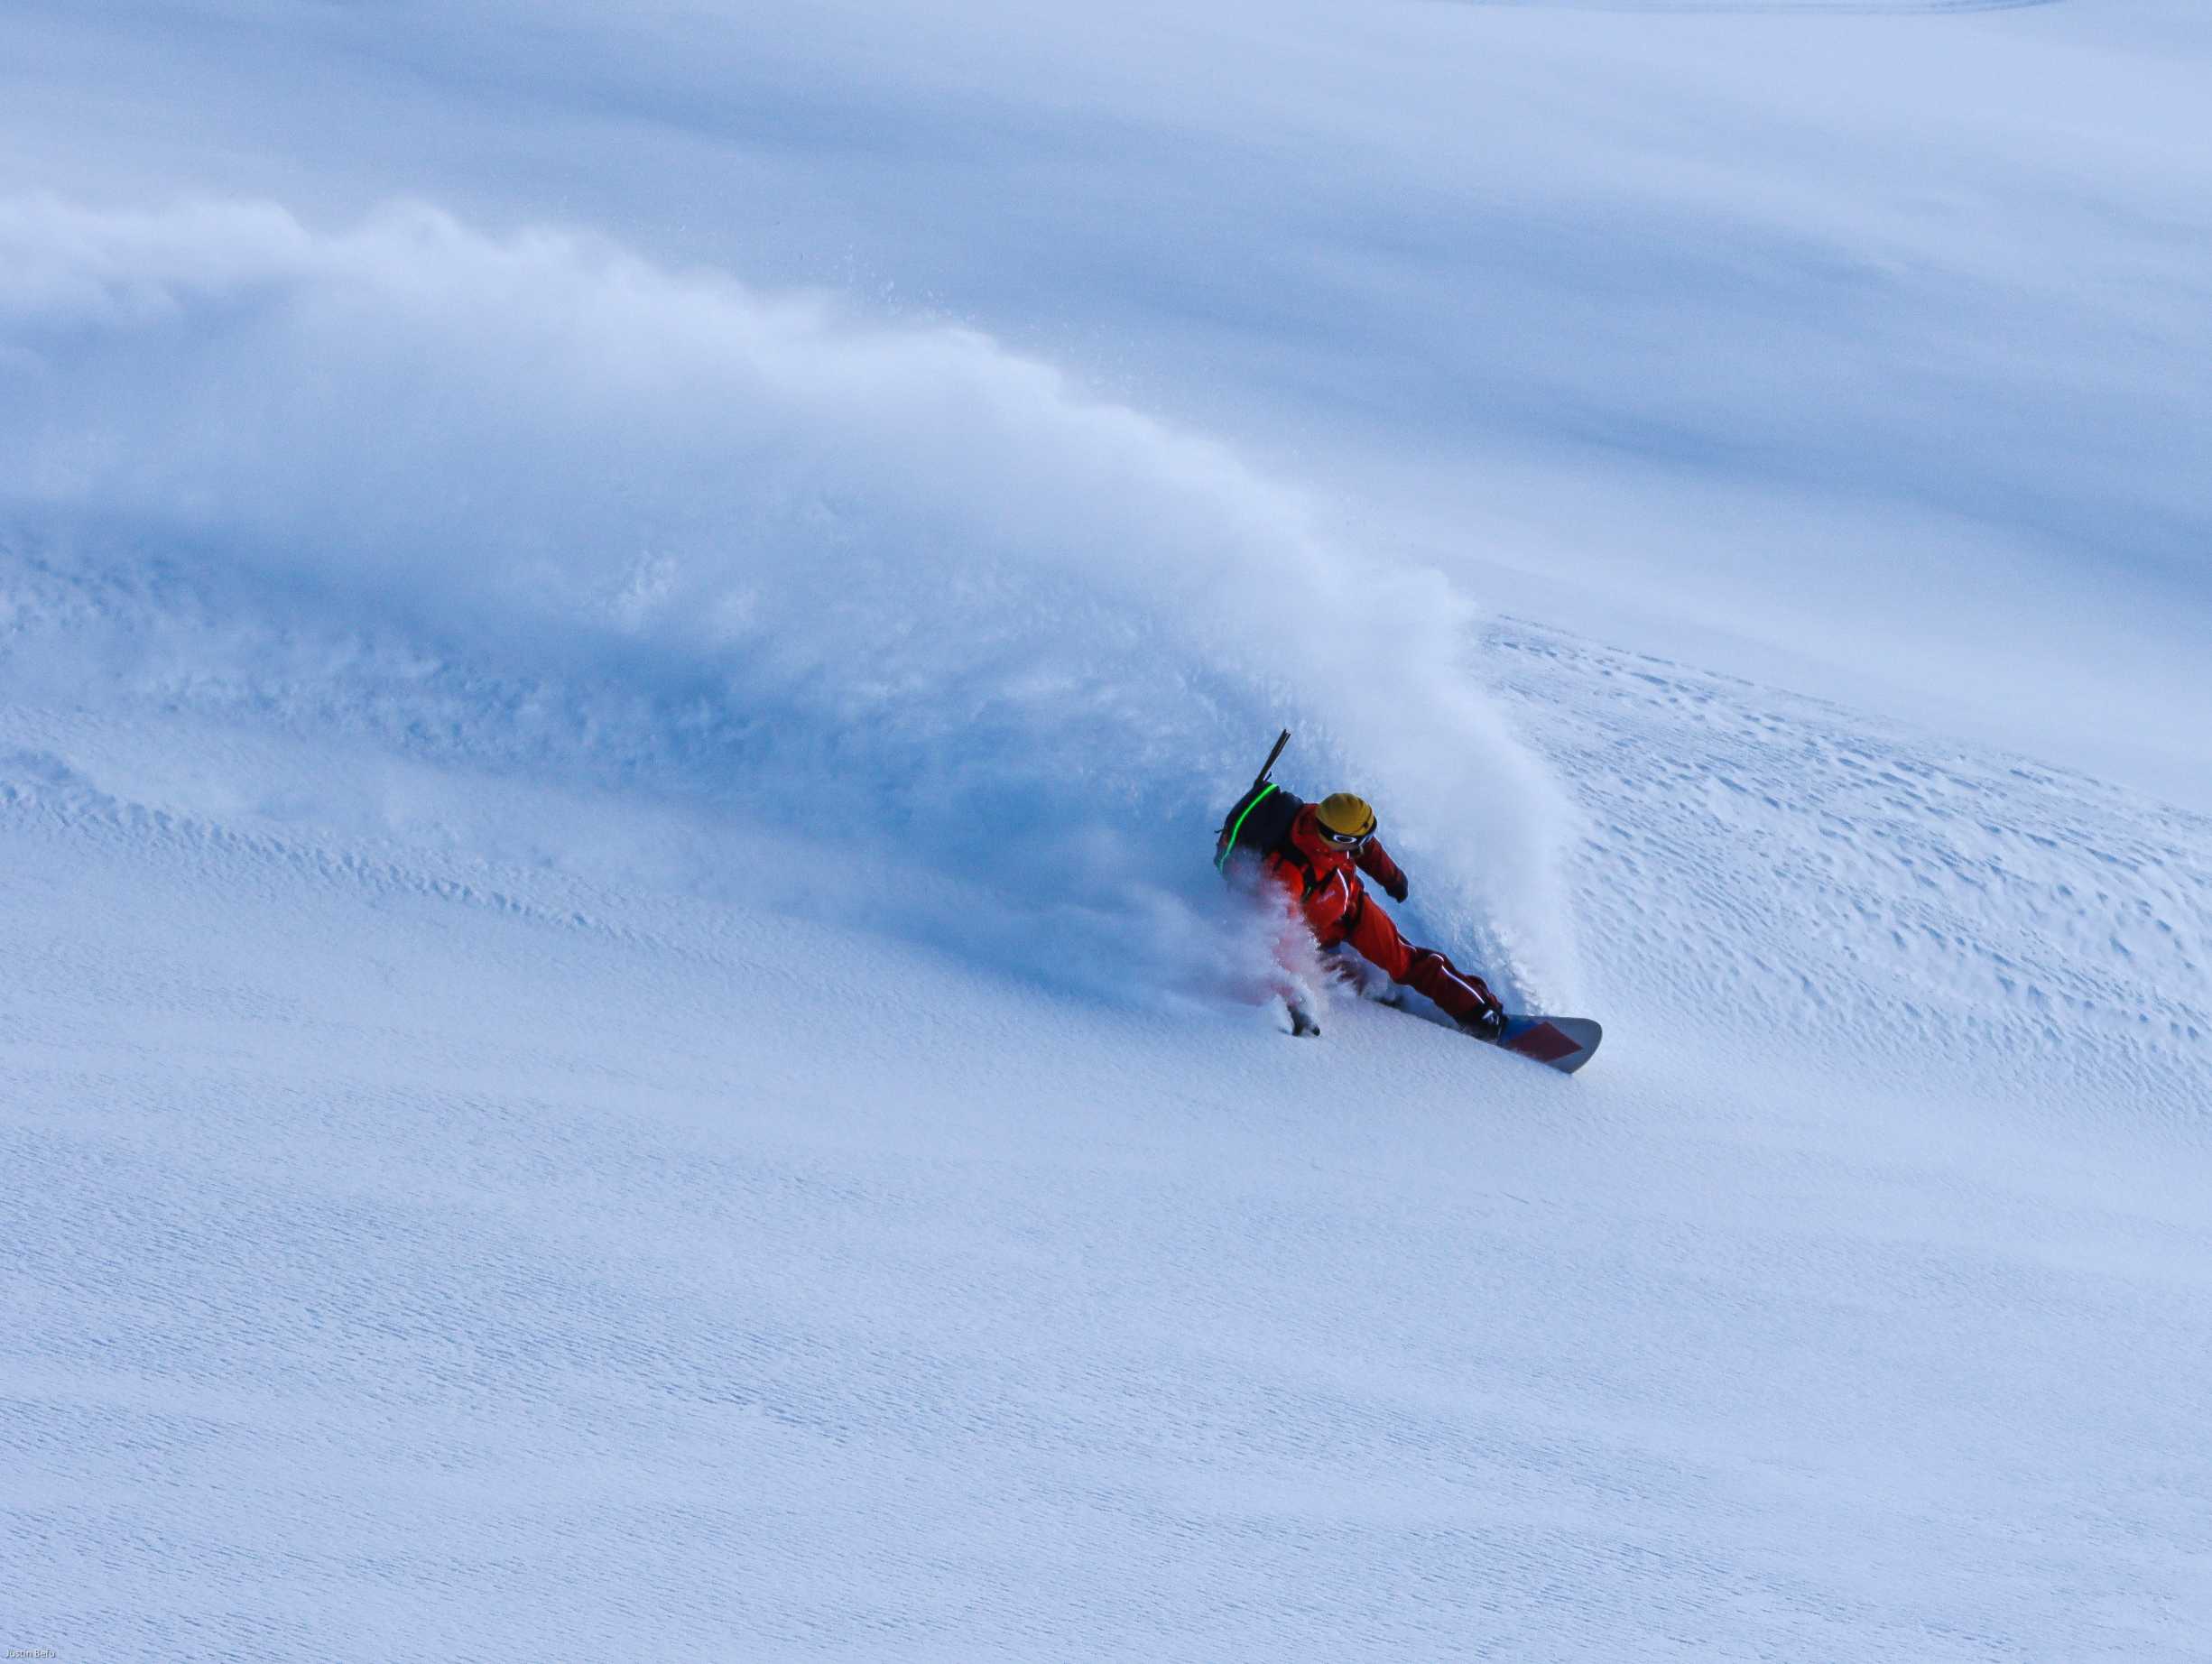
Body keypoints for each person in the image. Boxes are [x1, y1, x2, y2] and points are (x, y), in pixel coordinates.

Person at [1262, 791, 1506, 1039]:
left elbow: (1366, 847)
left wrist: (1391, 877)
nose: (1364, 844)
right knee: (1341, 970)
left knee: (1404, 961)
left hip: (1354, 910)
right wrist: (1297, 1003)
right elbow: (1284, 938)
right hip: (1318, 932)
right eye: (1358, 840)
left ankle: (1479, 1010)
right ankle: (1376, 993)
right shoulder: (1286, 876)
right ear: (1338, 838)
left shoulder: (1324, 819)